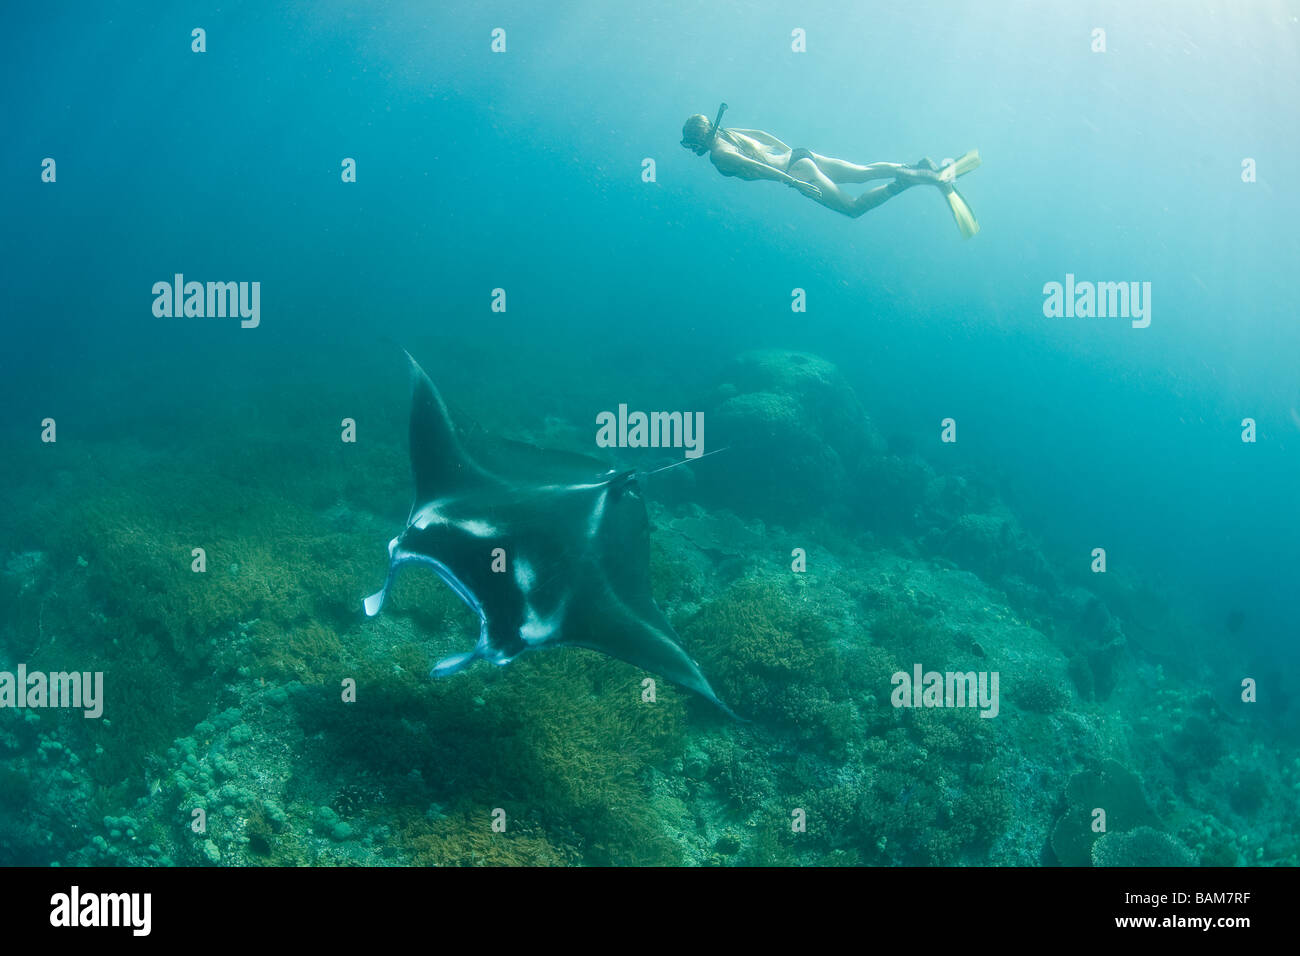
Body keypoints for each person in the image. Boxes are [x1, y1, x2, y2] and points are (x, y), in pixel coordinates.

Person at [681, 104, 981, 238]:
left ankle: (910, 181)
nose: (694, 150)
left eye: (692, 145)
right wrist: (790, 153)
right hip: (797, 155)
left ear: (698, 139)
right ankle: (918, 168)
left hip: (797, 171)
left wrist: (792, 180)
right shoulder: (728, 132)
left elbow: (753, 166)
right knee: (864, 172)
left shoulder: (719, 155)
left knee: (852, 208)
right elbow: (762, 134)